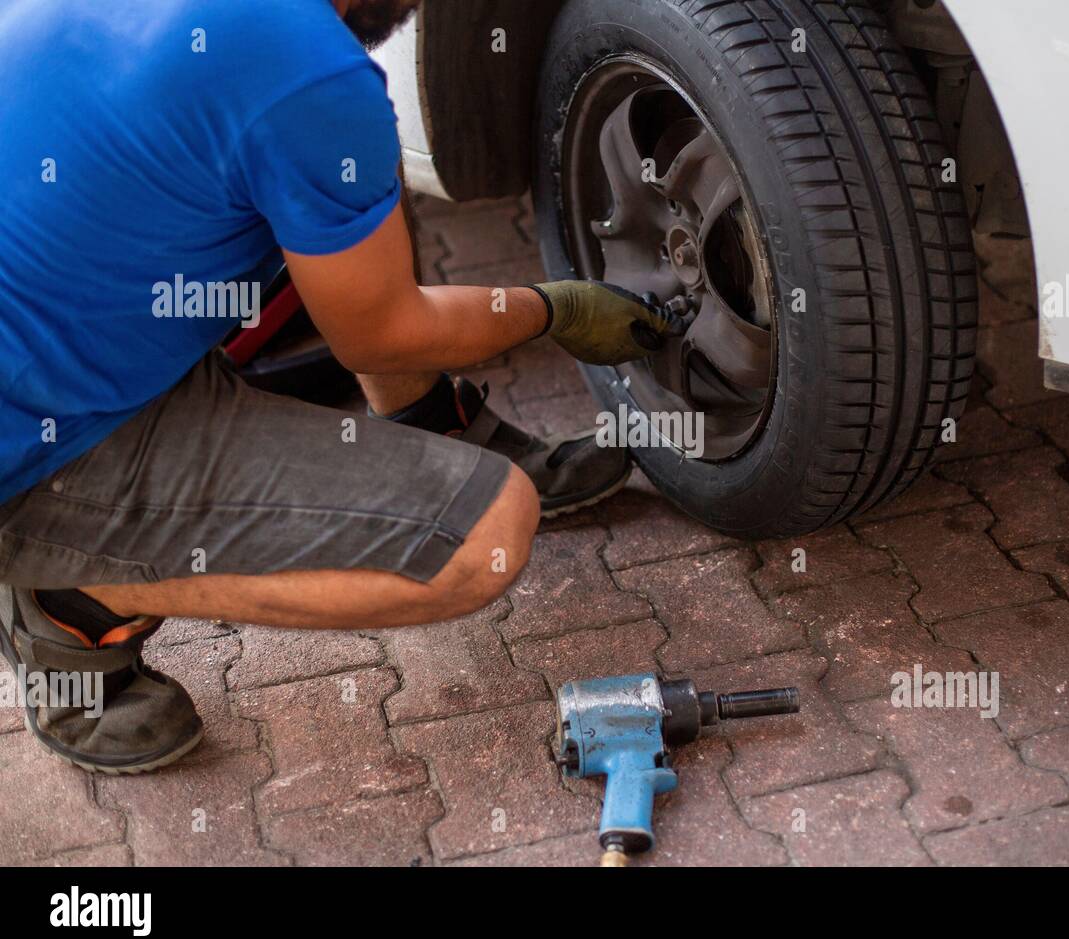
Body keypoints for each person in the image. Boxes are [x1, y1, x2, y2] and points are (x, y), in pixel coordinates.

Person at [0, 0, 670, 773]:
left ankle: (429, 417)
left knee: (345, 163)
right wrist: (551, 311)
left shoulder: (280, 56)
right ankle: (74, 597)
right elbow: (382, 332)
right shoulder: (305, 70)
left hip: (61, 345)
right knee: (484, 535)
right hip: (32, 452)